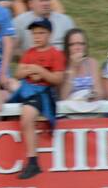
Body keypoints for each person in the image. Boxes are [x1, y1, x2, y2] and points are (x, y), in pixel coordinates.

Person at [9, 17, 66, 179]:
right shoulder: (29, 53)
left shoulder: (56, 54)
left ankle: (33, 161)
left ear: (49, 34)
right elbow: (18, 73)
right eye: (34, 34)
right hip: (26, 90)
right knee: (9, 114)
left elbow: (57, 79)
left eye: (41, 33)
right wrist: (31, 71)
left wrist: (38, 71)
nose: (37, 37)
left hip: (43, 93)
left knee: (27, 118)